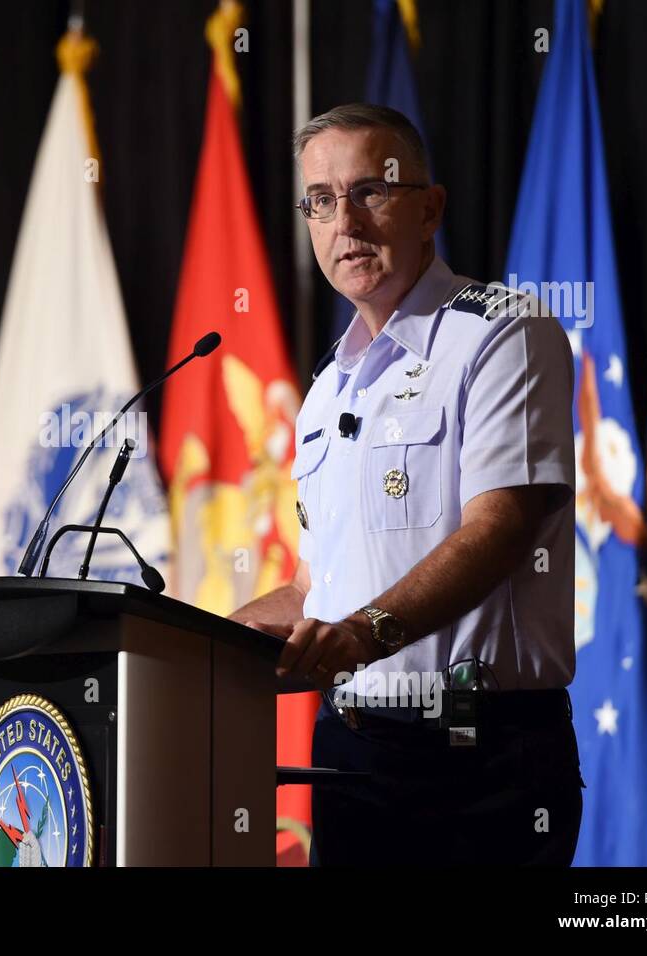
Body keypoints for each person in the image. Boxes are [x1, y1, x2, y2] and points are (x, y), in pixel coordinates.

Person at [231, 103, 582, 865]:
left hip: (478, 757)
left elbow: (500, 528)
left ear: (431, 208)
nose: (344, 221)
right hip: (353, 753)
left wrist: (362, 633)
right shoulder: (329, 389)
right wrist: (211, 644)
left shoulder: (502, 335)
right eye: (320, 200)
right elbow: (317, 584)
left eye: (370, 190)